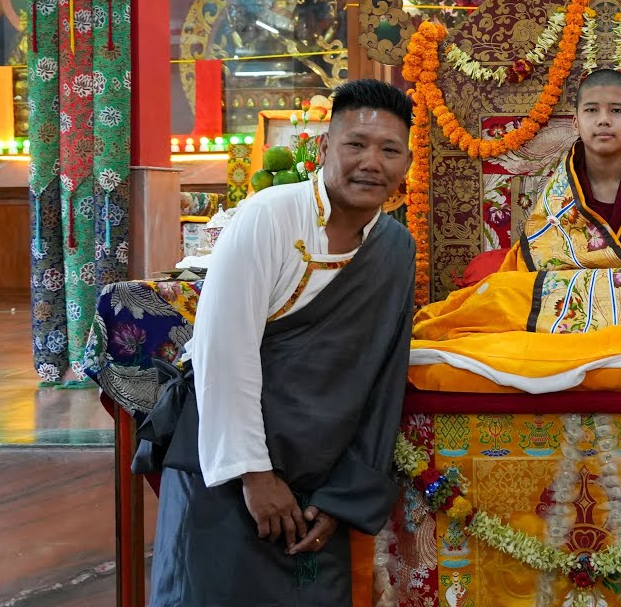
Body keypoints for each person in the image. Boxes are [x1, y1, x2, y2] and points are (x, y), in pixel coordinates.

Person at [145, 79, 417, 606]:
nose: (371, 162)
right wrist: (255, 474)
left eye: (389, 150)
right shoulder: (269, 215)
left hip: (316, 487)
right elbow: (224, 351)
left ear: (406, 163)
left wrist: (343, 497)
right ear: (323, 148)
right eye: (355, 145)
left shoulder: (394, 249)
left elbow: (382, 381)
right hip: (228, 471)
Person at [413, 68, 621, 341]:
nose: (603, 120)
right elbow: (541, 260)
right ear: (576, 121)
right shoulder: (561, 185)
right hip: (583, 289)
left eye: (616, 111)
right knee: (502, 290)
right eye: (592, 110)